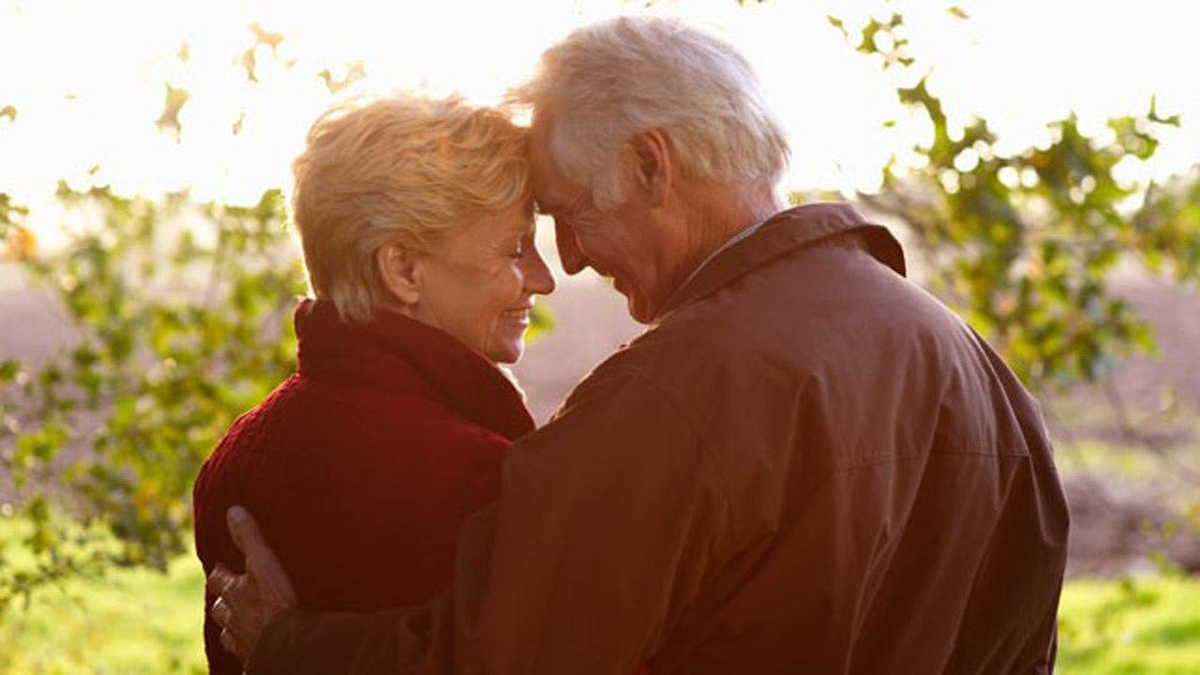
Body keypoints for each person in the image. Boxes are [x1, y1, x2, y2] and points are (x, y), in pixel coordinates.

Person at [208, 16, 1070, 674]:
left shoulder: (675, 393)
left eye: (568, 214)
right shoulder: (973, 367)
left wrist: (288, 642)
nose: (569, 262)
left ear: (653, 167)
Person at [192, 94, 555, 674]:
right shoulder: (477, 478)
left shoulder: (238, 455)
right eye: (515, 248)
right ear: (404, 270)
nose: (543, 279)